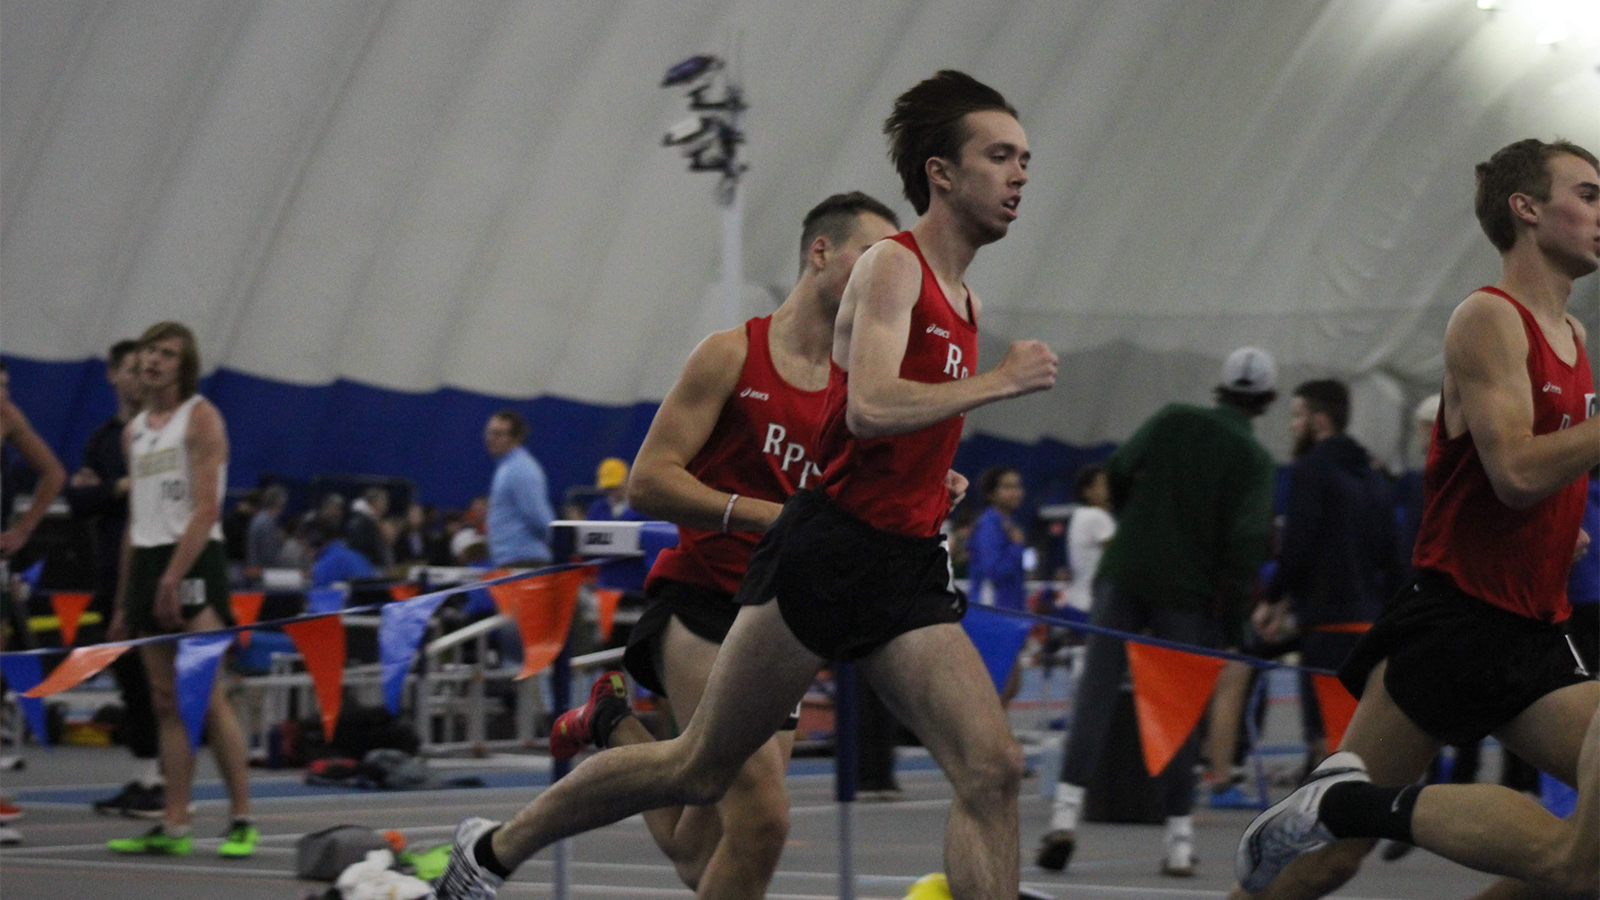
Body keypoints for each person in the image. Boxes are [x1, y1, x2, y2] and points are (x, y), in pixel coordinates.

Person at [434, 69, 1056, 900]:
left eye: (1026, 159)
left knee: (994, 769)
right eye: (1000, 155)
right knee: (699, 774)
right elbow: (871, 405)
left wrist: (931, 476)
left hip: (905, 567)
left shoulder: (964, 299)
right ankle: (493, 852)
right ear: (941, 172)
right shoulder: (893, 268)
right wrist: (998, 384)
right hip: (823, 557)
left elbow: (865, 422)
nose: (1020, 174)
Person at [1236, 137, 1599, 900]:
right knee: (1330, 862)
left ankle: (1343, 804)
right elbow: (1516, 472)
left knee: (1586, 858)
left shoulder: (1577, 338)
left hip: (1535, 626)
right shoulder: (1489, 319)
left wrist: (1565, 534)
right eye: (1590, 195)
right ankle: (1344, 805)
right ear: (1527, 209)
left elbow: (1542, 479)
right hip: (1457, 622)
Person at [546, 191, 900, 898]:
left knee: (692, 848)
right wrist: (759, 516)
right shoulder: (730, 355)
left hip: (786, 622)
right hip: (706, 601)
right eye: (871, 258)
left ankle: (612, 722)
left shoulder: (863, 388)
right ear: (821, 253)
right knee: (764, 819)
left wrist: (929, 487)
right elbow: (648, 482)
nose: (884, 280)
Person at [1038, 346, 1277, 877]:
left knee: (1095, 693)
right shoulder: (1255, 462)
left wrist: (1136, 521)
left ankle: (1063, 820)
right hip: (1186, 594)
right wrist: (1236, 619)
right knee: (1178, 711)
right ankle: (1176, 842)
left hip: (1125, 571)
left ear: (1220, 386)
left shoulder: (1172, 419)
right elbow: (1246, 541)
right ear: (1264, 402)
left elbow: (1119, 467)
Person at [105, 321, 257, 859]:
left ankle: (241, 818)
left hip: (194, 558)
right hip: (148, 559)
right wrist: (127, 600)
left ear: (183, 366)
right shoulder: (134, 432)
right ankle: (174, 824)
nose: (153, 361)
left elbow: (207, 507)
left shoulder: (202, 418)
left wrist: (174, 576)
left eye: (167, 354)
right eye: (149, 350)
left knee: (207, 697)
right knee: (166, 701)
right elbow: (136, 518)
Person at [1257, 380, 1395, 772]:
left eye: (1297, 416)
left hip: (1326, 620)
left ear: (1320, 422)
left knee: (1324, 738)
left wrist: (1272, 600)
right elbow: (1394, 555)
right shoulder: (1375, 476)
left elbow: (1298, 545)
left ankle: (1325, 821)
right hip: (1370, 620)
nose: (1291, 426)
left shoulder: (1311, 469)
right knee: (1358, 737)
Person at [64, 340, 169, 818]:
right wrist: (120, 487)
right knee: (128, 678)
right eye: (130, 369)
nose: (138, 377)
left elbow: (155, 498)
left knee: (158, 681)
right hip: (109, 567)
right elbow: (80, 502)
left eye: (143, 368)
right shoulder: (103, 438)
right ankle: (146, 778)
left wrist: (114, 491)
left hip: (153, 569)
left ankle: (165, 783)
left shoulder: (159, 434)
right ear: (113, 374)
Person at [0, 358, 68, 845]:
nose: (3, 395)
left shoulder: (9, 418)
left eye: (6, 387)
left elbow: (53, 473)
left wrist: (23, 528)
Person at [483, 411, 554, 567]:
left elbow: (538, 517)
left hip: (524, 562)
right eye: (489, 432)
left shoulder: (520, 469)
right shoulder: (508, 466)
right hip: (514, 560)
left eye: (498, 434)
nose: (490, 439)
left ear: (515, 438)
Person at [1062, 463, 1114, 617]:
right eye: (1102, 485)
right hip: (1093, 605)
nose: (1108, 490)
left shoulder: (1079, 515)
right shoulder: (1097, 516)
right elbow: (1119, 558)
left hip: (1076, 602)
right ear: (1087, 492)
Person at [344, 486, 393, 571]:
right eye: (384, 501)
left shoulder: (374, 521)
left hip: (375, 568)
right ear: (375, 502)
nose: (386, 505)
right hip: (367, 569)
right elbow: (359, 548)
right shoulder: (359, 522)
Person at [245, 483, 287, 571]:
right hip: (263, 571)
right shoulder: (266, 522)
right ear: (279, 503)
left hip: (258, 568)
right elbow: (269, 554)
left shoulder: (259, 518)